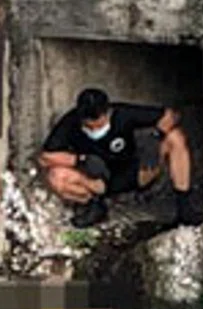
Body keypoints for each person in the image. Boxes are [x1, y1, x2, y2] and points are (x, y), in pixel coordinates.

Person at [38, 87, 192, 229]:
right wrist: (80, 160)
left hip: (136, 172)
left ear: (107, 113)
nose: (94, 129)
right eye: (89, 126)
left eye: (98, 124)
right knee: (56, 176)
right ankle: (93, 205)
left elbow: (171, 115)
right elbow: (45, 157)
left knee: (175, 137)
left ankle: (184, 205)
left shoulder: (123, 114)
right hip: (98, 181)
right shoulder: (71, 122)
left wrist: (155, 138)